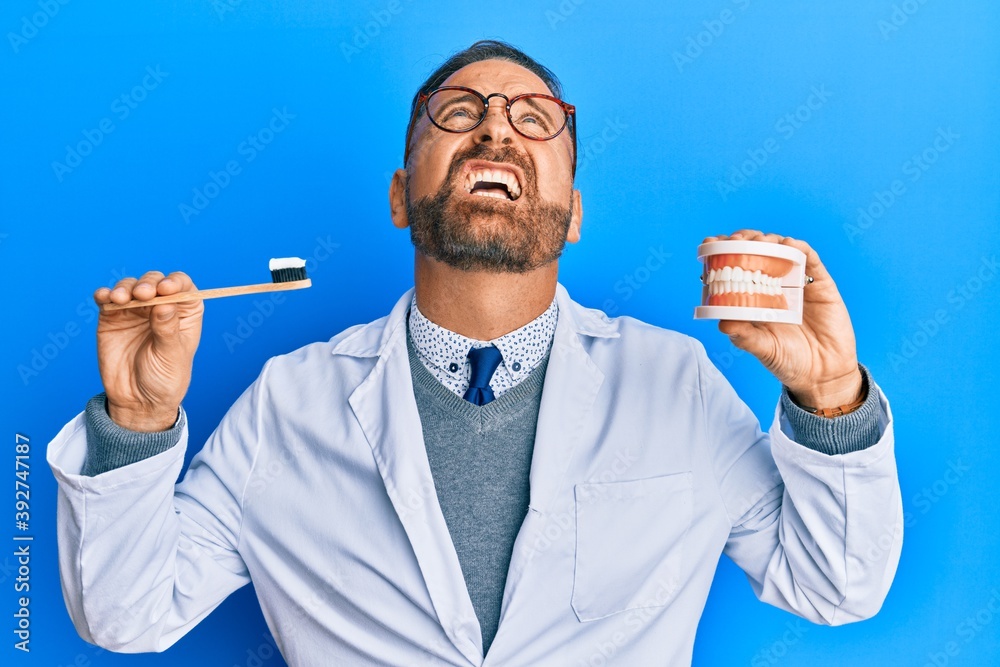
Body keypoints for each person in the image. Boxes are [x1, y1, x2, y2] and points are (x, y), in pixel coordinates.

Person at [47, 40, 902, 666]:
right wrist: (138, 419)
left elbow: (833, 586)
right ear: (399, 196)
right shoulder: (288, 403)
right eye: (458, 112)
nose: (496, 128)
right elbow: (127, 613)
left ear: (572, 214)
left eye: (534, 119)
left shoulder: (674, 383)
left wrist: (830, 396)